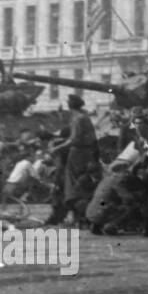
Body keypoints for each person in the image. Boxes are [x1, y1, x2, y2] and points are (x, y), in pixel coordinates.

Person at [47, 94, 99, 227]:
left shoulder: (77, 119)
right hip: (87, 153)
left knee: (72, 187)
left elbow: (74, 139)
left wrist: (57, 148)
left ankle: (78, 217)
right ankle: (80, 217)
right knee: (82, 184)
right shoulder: (85, 117)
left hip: (77, 154)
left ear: (69, 105)